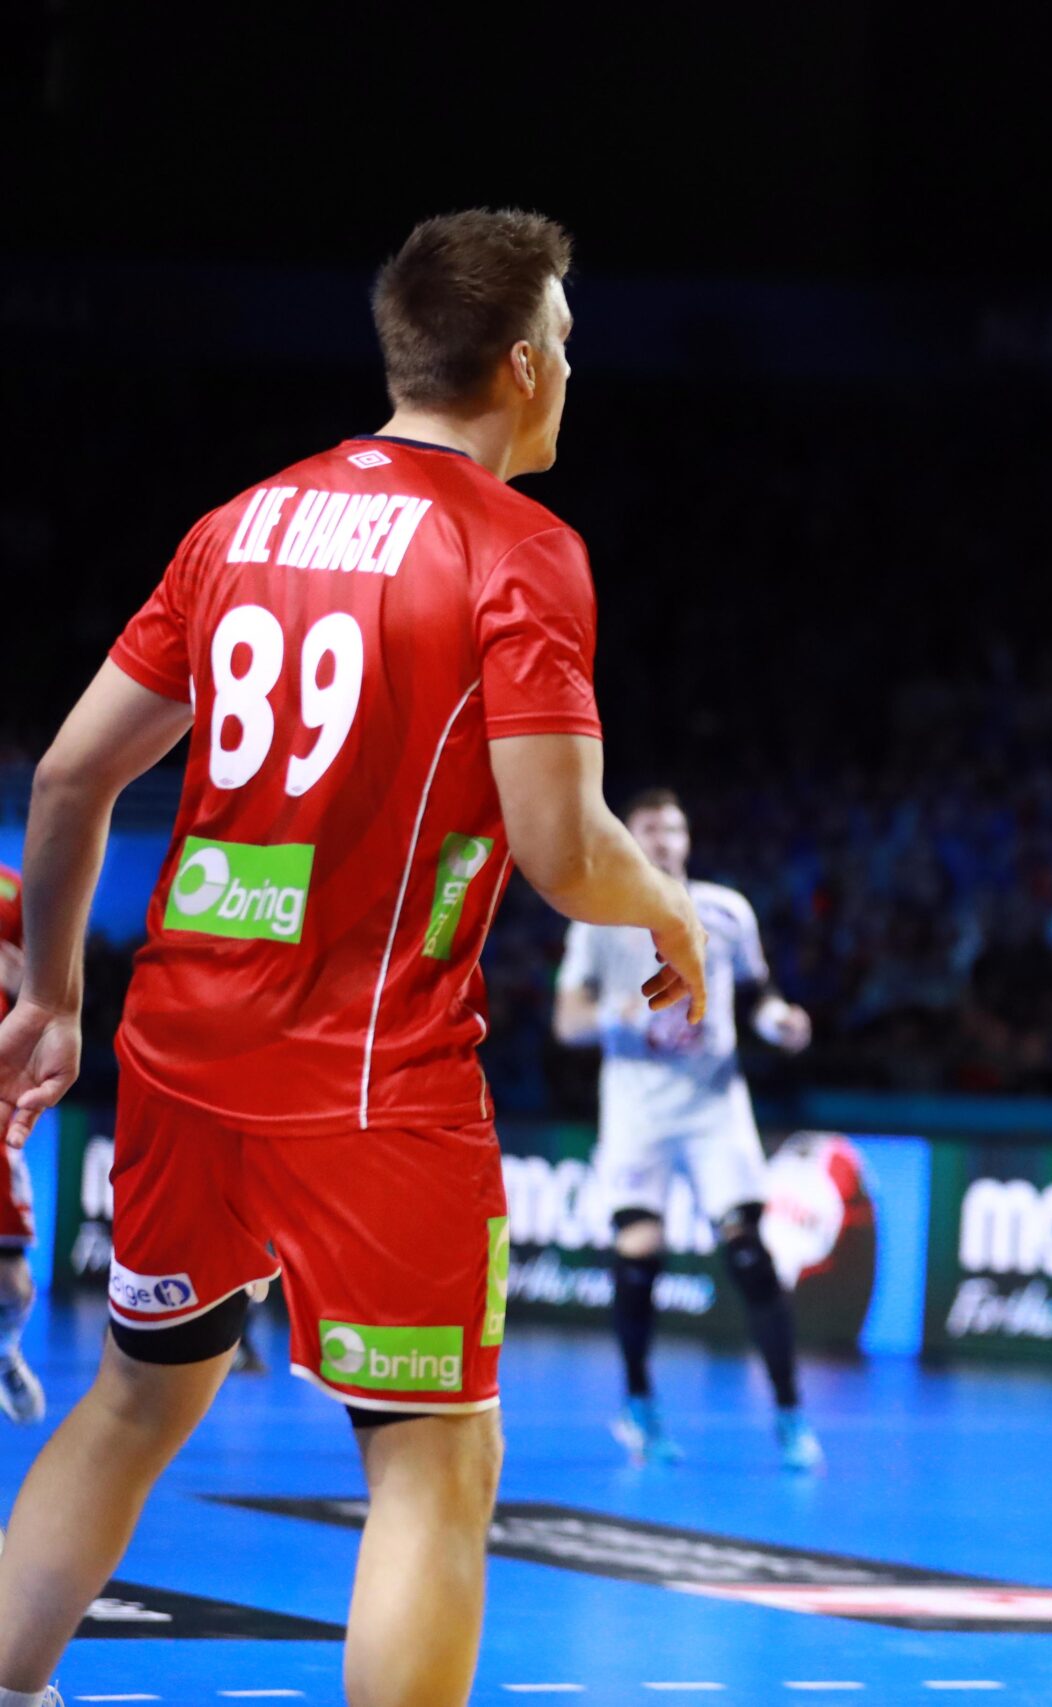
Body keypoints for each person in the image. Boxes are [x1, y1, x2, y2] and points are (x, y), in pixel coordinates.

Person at [0, 209, 706, 1707]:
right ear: (521, 366)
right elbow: (563, 847)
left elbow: (67, 780)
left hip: (181, 1049)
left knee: (137, 1389)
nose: (572, 370)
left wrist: (49, 995)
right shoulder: (518, 550)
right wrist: (672, 906)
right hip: (374, 1077)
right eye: (566, 345)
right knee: (435, 1453)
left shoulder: (236, 524)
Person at [553, 787, 820, 1470]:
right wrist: (619, 1015)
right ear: (628, 838)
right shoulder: (598, 914)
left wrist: (779, 1024)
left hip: (714, 1105)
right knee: (639, 1252)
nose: (665, 841)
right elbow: (566, 1020)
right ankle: (638, 1403)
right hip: (638, 1105)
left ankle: (791, 1414)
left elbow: (759, 994)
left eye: (675, 828)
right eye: (651, 828)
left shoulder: (727, 911)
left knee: (749, 1254)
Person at [0, 864, 38, 1425]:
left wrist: (19, 978)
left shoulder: (13, 889)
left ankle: (3, 1348)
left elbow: (45, 982)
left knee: (12, 1284)